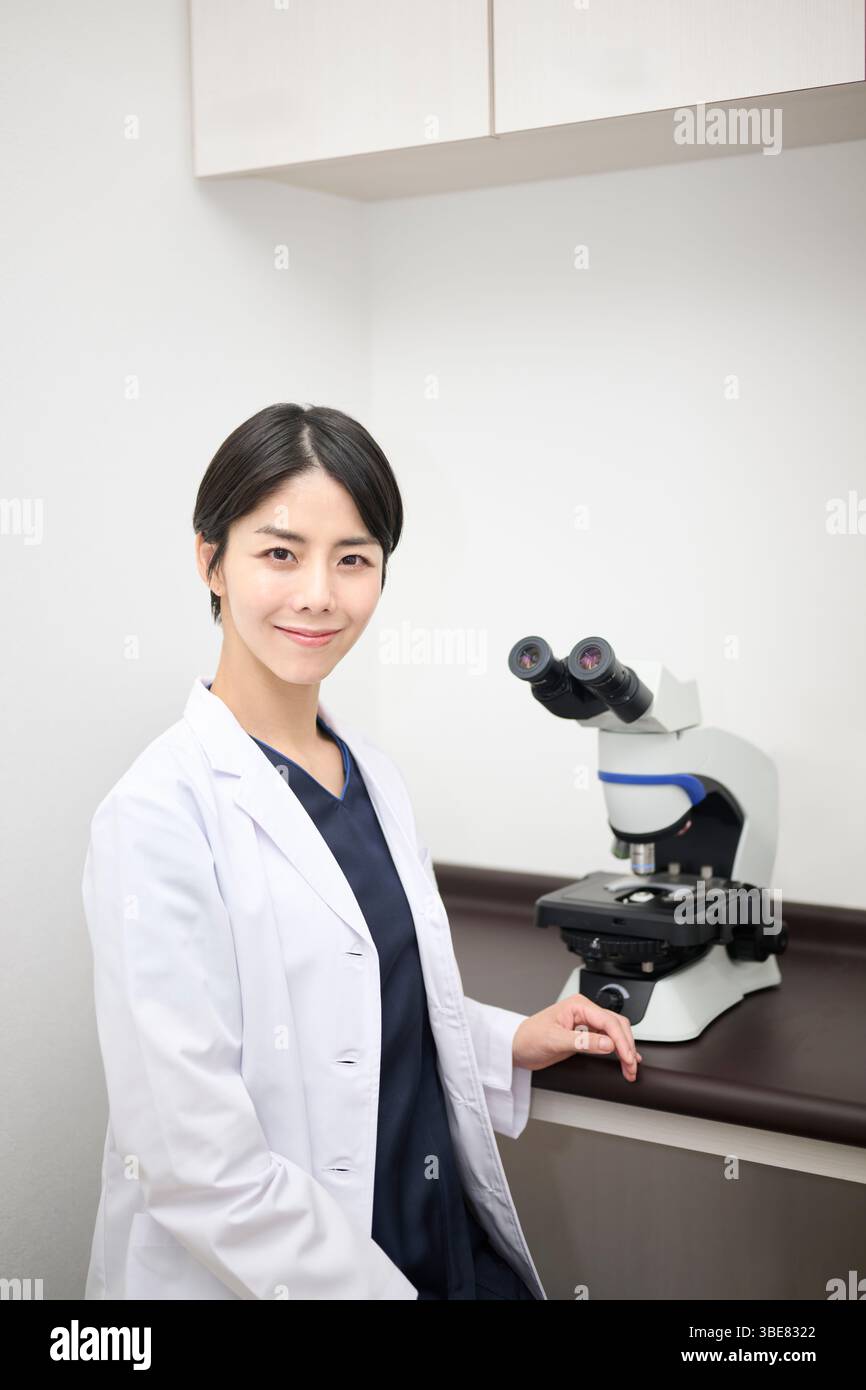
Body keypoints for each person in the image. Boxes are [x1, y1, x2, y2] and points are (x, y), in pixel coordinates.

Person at [82, 402, 641, 1301]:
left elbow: (366, 1007)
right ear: (210, 562)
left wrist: (506, 1041)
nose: (318, 594)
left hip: (432, 1236)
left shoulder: (370, 774)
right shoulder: (157, 814)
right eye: (279, 552)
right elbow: (196, 1166)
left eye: (354, 560)